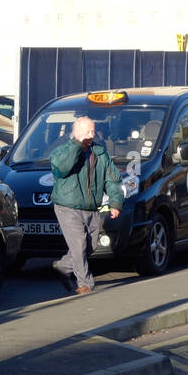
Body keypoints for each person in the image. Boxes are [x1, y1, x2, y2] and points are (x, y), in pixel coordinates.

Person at [49, 116, 124, 295]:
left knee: (90, 246)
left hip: (91, 207)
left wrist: (115, 202)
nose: (91, 135)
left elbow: (112, 179)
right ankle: (85, 284)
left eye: (92, 131)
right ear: (76, 133)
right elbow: (61, 168)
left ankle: (62, 266)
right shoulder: (63, 151)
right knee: (79, 244)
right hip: (67, 206)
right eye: (87, 132)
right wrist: (76, 145)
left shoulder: (99, 152)